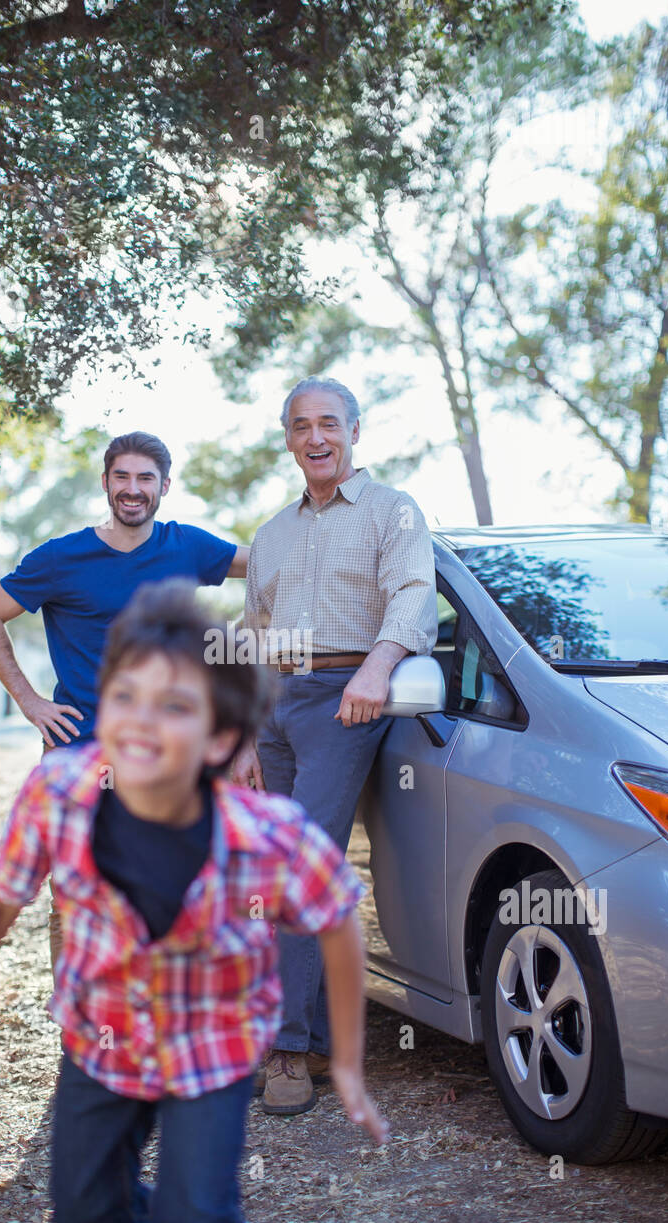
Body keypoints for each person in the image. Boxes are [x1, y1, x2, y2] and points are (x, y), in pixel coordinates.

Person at [0, 579, 388, 1223]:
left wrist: (346, 1060)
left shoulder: (267, 835)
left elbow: (336, 919)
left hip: (214, 1042)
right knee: (85, 1210)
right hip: (104, 1036)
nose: (139, 722)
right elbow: (1, 901)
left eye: (174, 706)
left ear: (222, 738)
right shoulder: (59, 796)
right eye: (126, 697)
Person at [232, 376, 438, 1117]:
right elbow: (253, 634)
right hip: (276, 708)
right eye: (300, 426)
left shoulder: (394, 511)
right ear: (287, 439)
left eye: (328, 424)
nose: (315, 438)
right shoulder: (272, 533)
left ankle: (284, 1050)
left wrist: (379, 667)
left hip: (347, 701)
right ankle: (313, 1041)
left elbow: (414, 593)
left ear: (355, 431)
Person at [0, 430, 248, 969]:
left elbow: (272, 566)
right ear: (105, 482)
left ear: (164, 486)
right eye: (122, 476)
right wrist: (29, 701)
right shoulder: (61, 558)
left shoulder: (187, 546)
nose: (132, 489)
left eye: (145, 478)